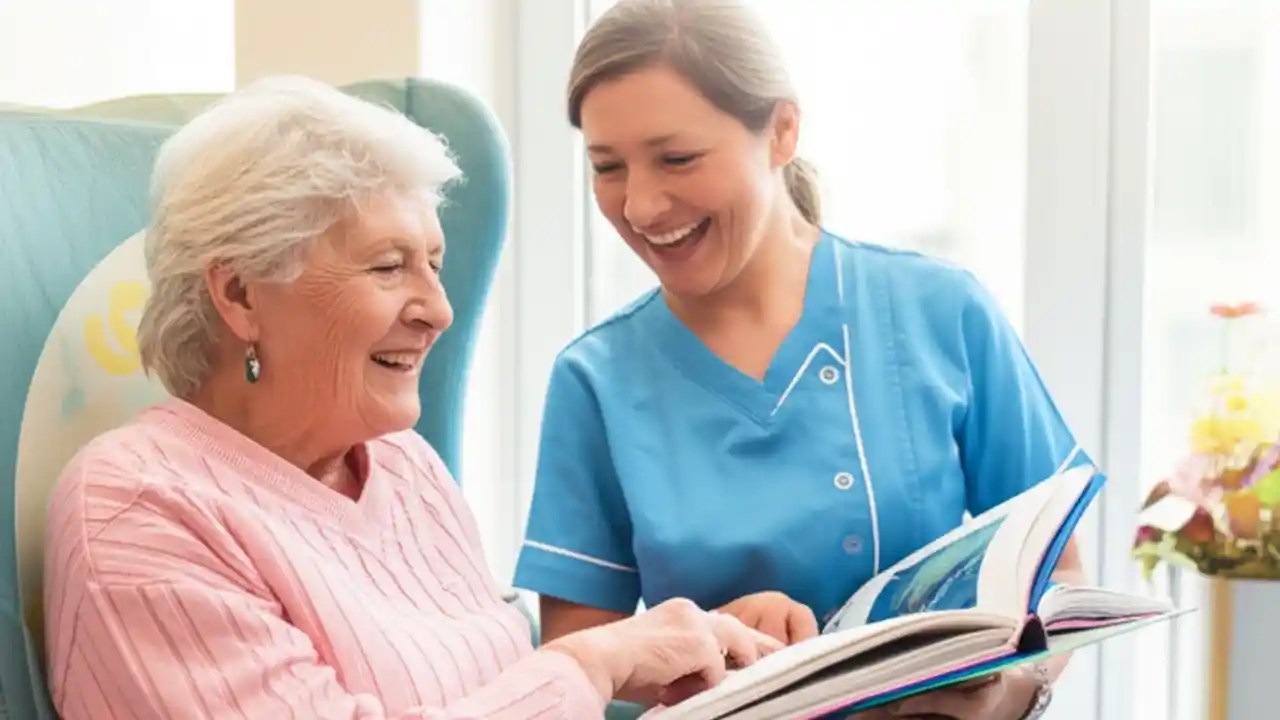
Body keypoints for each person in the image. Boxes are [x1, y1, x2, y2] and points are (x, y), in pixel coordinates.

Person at [41, 75, 781, 720]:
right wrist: (591, 664)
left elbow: (499, 691)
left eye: (434, 263)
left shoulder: (403, 467)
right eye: (389, 267)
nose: (439, 310)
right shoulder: (139, 509)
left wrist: (695, 670)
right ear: (239, 293)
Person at [511, 1, 1087, 718]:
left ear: (782, 131)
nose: (641, 206)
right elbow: (574, 668)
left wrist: (1004, 692)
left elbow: (1059, 577)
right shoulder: (595, 381)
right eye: (608, 167)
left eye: (677, 159)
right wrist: (712, 643)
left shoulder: (942, 312)